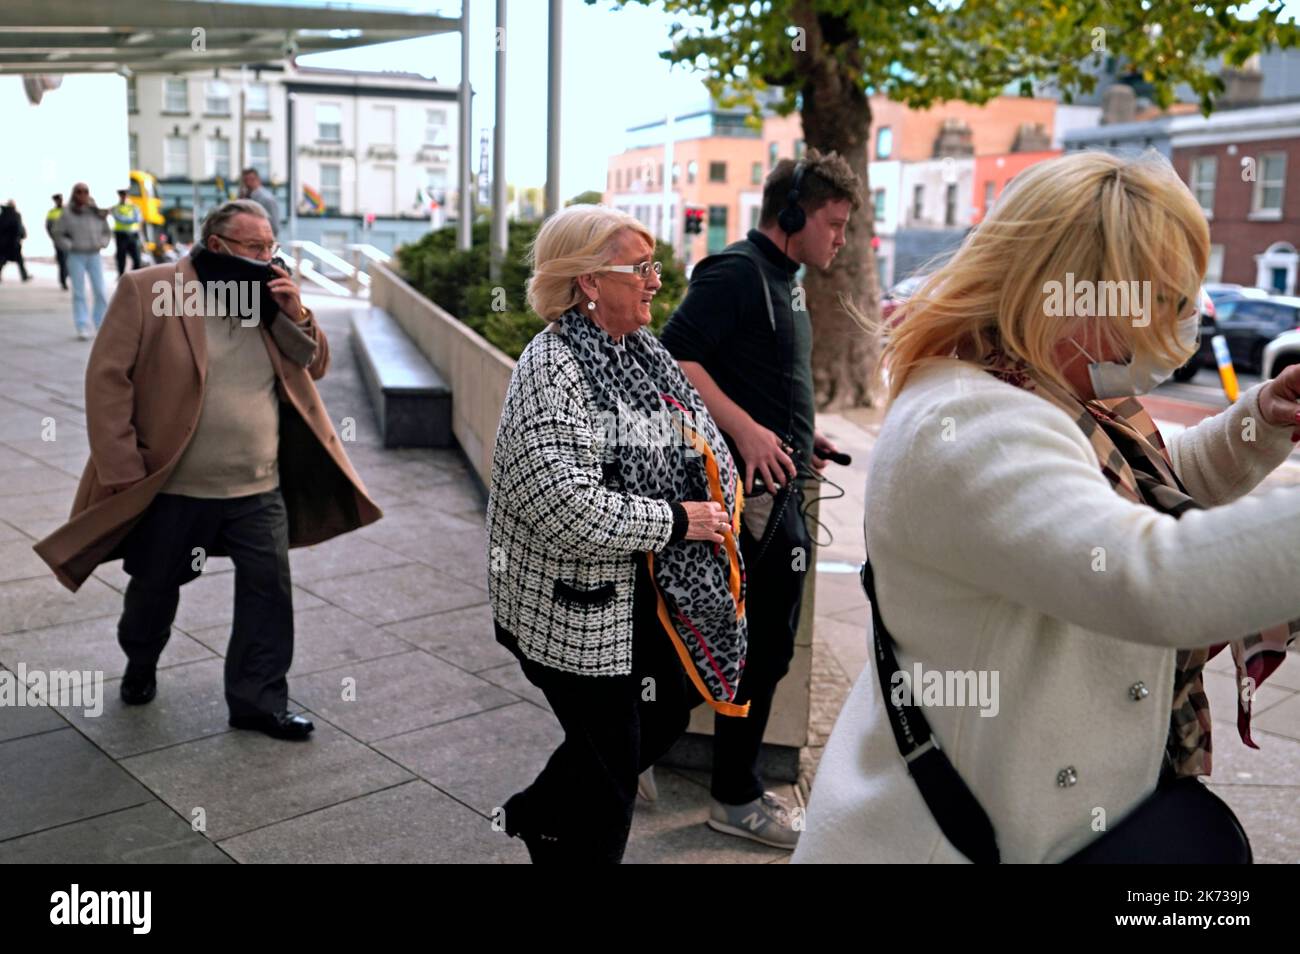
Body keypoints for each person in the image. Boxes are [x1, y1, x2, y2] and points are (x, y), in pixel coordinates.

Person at [794, 150, 1300, 864]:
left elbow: (1132, 493)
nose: (1186, 318)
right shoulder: (973, 424)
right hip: (969, 840)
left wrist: (1261, 422)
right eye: (1168, 297)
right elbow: (1147, 575)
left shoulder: (1036, 387)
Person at [33, 199, 383, 741]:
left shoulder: (269, 294)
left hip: (258, 484)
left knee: (269, 594)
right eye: (254, 247)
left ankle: (258, 702)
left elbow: (314, 364)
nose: (268, 257)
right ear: (217, 245)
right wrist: (122, 466)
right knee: (153, 590)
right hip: (174, 485)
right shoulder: (150, 289)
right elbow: (107, 381)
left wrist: (297, 314)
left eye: (271, 246)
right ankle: (141, 659)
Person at [487, 204, 748, 862]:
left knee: (658, 716)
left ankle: (539, 812)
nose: (657, 281)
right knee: (609, 782)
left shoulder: (637, 351)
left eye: (655, 265)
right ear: (589, 283)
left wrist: (718, 482)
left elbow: (685, 441)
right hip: (573, 613)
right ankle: (553, 833)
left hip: (638, 595)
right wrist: (678, 520)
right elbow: (560, 504)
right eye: (640, 268)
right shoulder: (550, 372)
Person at [659, 148, 861, 848]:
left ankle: (658, 762)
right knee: (754, 647)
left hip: (781, 491)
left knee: (763, 648)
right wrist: (745, 432)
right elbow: (675, 358)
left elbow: (760, 375)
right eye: (833, 223)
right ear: (793, 214)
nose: (841, 238)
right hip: (754, 506)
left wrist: (803, 442)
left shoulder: (786, 279)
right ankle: (732, 794)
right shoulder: (738, 272)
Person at [49, 183, 111, 339]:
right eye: (79, 192)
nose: (82, 195)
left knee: (100, 290)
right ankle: (82, 325)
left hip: (94, 254)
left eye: (85, 192)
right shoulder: (67, 213)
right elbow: (57, 233)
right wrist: (69, 245)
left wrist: (102, 243)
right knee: (78, 292)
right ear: (73, 194)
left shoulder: (95, 212)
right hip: (76, 255)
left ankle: (101, 323)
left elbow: (106, 231)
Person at [109, 188, 144, 276]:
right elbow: (119, 218)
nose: (124, 196)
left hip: (133, 235)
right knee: (121, 259)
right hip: (121, 235)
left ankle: (133, 276)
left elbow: (137, 219)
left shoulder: (134, 207)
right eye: (122, 195)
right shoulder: (116, 207)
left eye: (125, 194)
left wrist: (126, 219)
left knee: (137, 259)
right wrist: (130, 220)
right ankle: (121, 277)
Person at [239, 168, 280, 237]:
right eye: (245, 181)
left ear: (258, 180)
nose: (248, 183)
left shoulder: (267, 199)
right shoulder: (246, 197)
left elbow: (274, 227)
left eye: (252, 180)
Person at [0, 200, 31, 283]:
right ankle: (24, 276)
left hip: (3, 243)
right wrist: (23, 235)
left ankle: (24, 276)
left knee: (2, 260)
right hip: (14, 242)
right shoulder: (16, 215)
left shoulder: (3, 215)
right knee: (20, 261)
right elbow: (19, 227)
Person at [46, 193, 68, 290]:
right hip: (58, 240)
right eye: (57, 200)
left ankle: (65, 277)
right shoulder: (51, 212)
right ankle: (63, 281)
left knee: (68, 260)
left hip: (68, 240)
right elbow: (48, 226)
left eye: (60, 199)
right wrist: (53, 237)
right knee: (62, 261)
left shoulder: (67, 211)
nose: (59, 201)